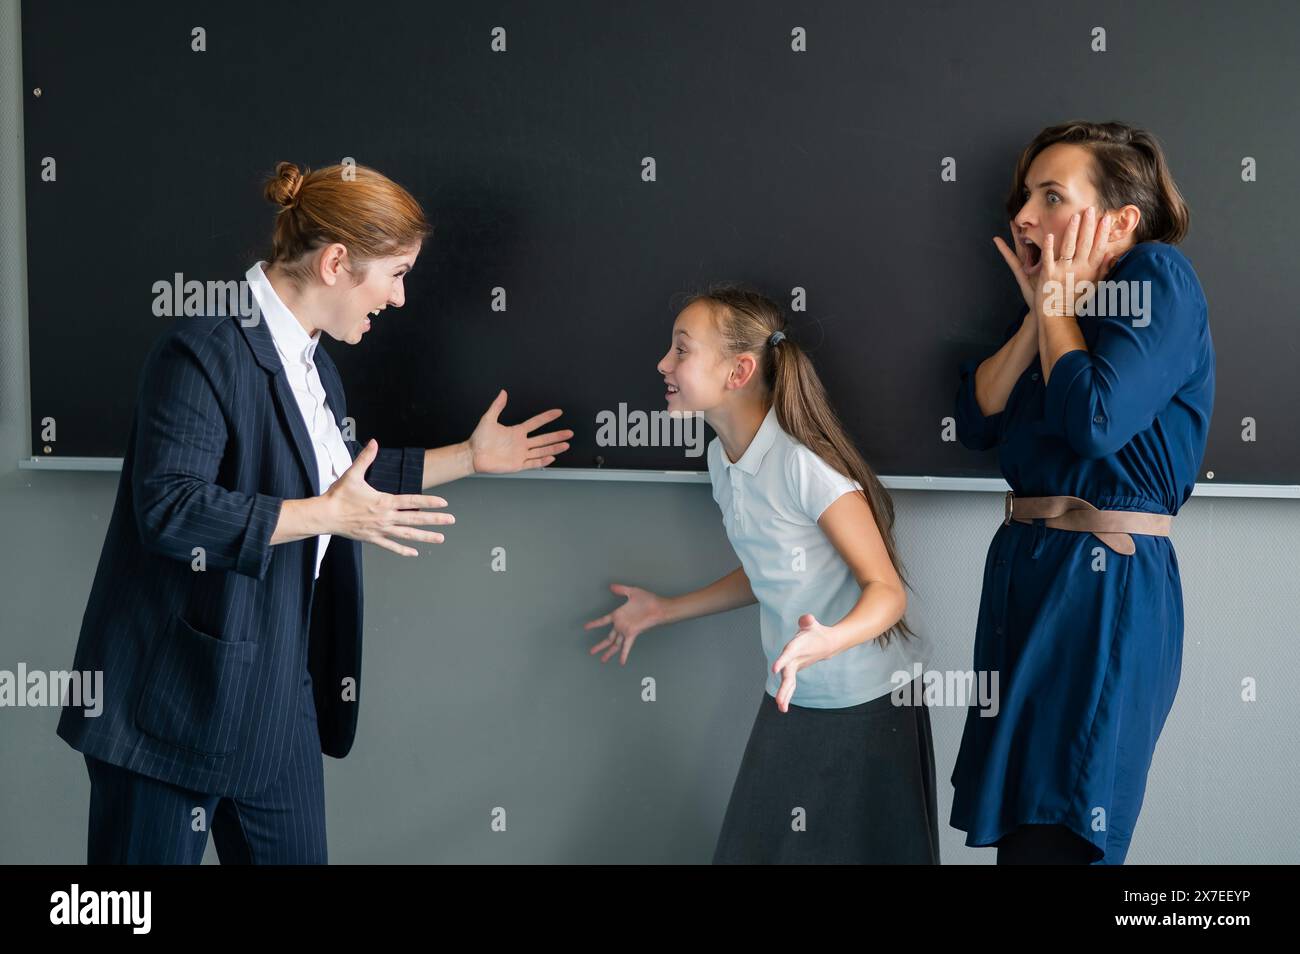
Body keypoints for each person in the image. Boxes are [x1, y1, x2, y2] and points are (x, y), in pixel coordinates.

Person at [56, 161, 573, 864]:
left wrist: (470, 457)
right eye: (396, 273)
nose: (398, 298)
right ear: (336, 262)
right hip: (172, 702)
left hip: (274, 694)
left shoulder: (313, 363)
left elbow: (339, 481)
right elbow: (171, 509)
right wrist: (324, 516)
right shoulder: (203, 349)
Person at [584, 285, 938, 863]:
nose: (662, 364)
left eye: (681, 350)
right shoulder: (722, 458)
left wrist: (826, 640)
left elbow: (886, 592)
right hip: (792, 694)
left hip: (867, 704)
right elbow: (769, 570)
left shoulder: (803, 465)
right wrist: (666, 609)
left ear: (738, 371)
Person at [951, 121, 1214, 864]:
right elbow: (976, 417)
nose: (1024, 217)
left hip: (1104, 584)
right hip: (1027, 578)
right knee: (1023, 830)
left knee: (1064, 826)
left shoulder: (1157, 278)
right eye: (1025, 196)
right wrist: (1044, 308)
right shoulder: (1063, 301)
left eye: (1052, 196)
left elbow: (1096, 419)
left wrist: (1056, 309)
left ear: (1122, 220)